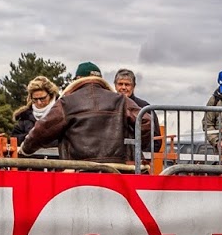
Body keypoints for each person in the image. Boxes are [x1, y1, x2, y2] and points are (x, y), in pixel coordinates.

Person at [19, 61, 150, 164]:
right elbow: (146, 120)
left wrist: (25, 150)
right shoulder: (121, 100)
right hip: (114, 170)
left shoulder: (67, 102)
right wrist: (136, 147)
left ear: (78, 79)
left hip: (78, 171)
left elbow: (42, 130)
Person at [11, 76, 61, 145]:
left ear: (51, 95)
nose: (39, 102)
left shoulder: (63, 113)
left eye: (42, 98)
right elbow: (14, 139)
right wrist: (31, 137)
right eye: (35, 99)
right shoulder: (25, 116)